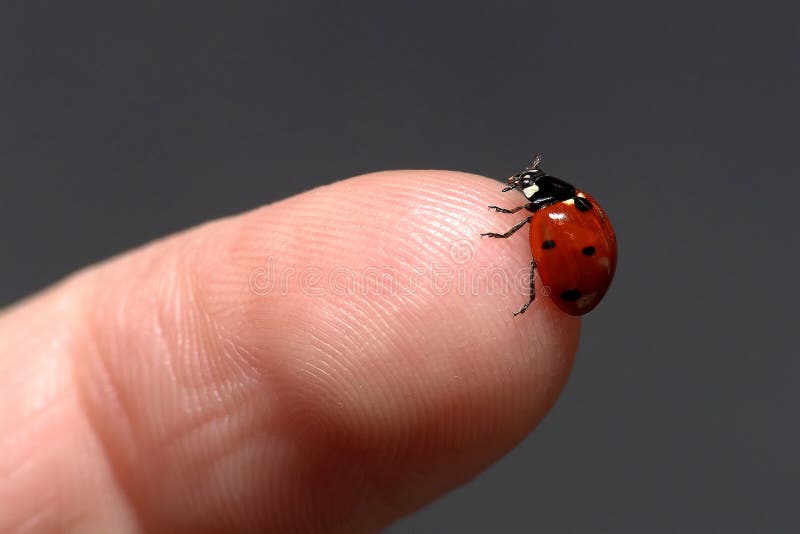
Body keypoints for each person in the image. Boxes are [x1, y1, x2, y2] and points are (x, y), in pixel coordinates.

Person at [0, 170, 580, 532]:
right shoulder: (561, 209)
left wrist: (511, 229)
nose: (521, 191)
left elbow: (524, 228)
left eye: (526, 190)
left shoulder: (550, 213)